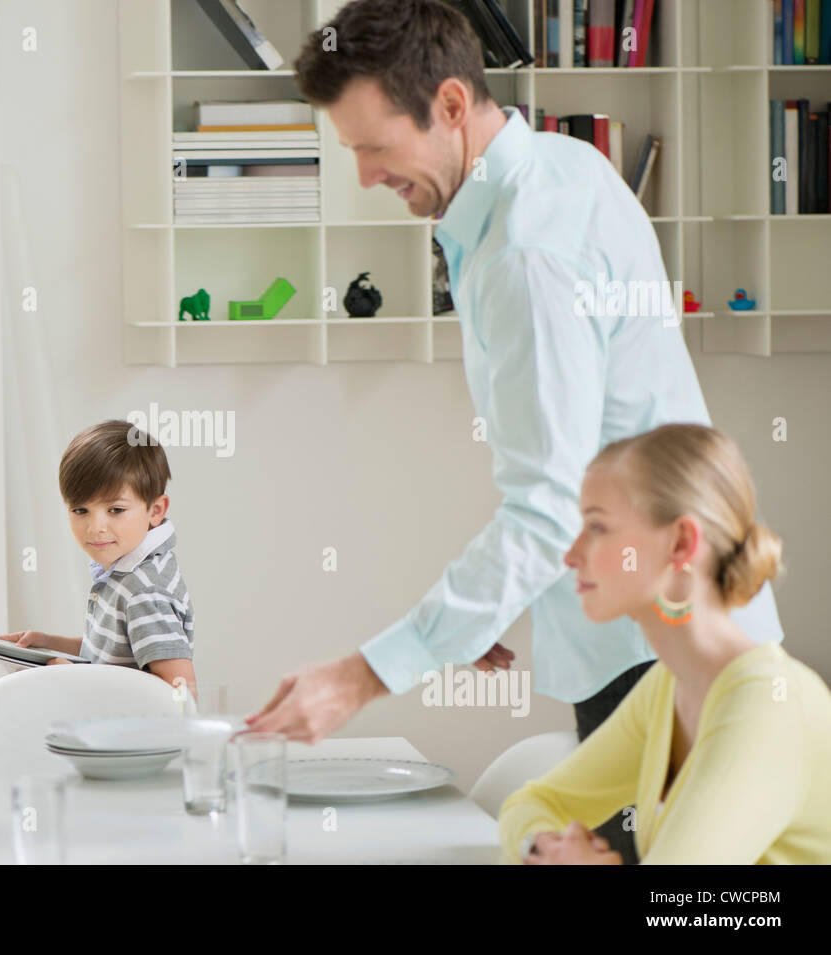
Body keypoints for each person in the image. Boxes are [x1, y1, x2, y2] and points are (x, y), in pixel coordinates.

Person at [245, 0, 784, 864]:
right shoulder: (557, 175)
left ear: (452, 106)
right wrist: (506, 595)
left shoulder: (527, 253)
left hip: (656, 649)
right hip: (652, 633)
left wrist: (359, 676)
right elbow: (579, 458)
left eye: (375, 147)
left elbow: (547, 504)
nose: (364, 176)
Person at [498, 424, 831, 864]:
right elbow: (531, 803)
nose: (571, 554)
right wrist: (543, 847)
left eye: (597, 526)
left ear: (680, 543)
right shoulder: (669, 687)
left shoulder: (765, 706)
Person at [0, 420, 197, 689]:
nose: (95, 528)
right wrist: (48, 644)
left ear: (156, 510)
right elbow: (112, 656)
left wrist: (75, 677)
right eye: (80, 510)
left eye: (115, 510)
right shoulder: (124, 573)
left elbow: (181, 692)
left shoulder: (144, 591)